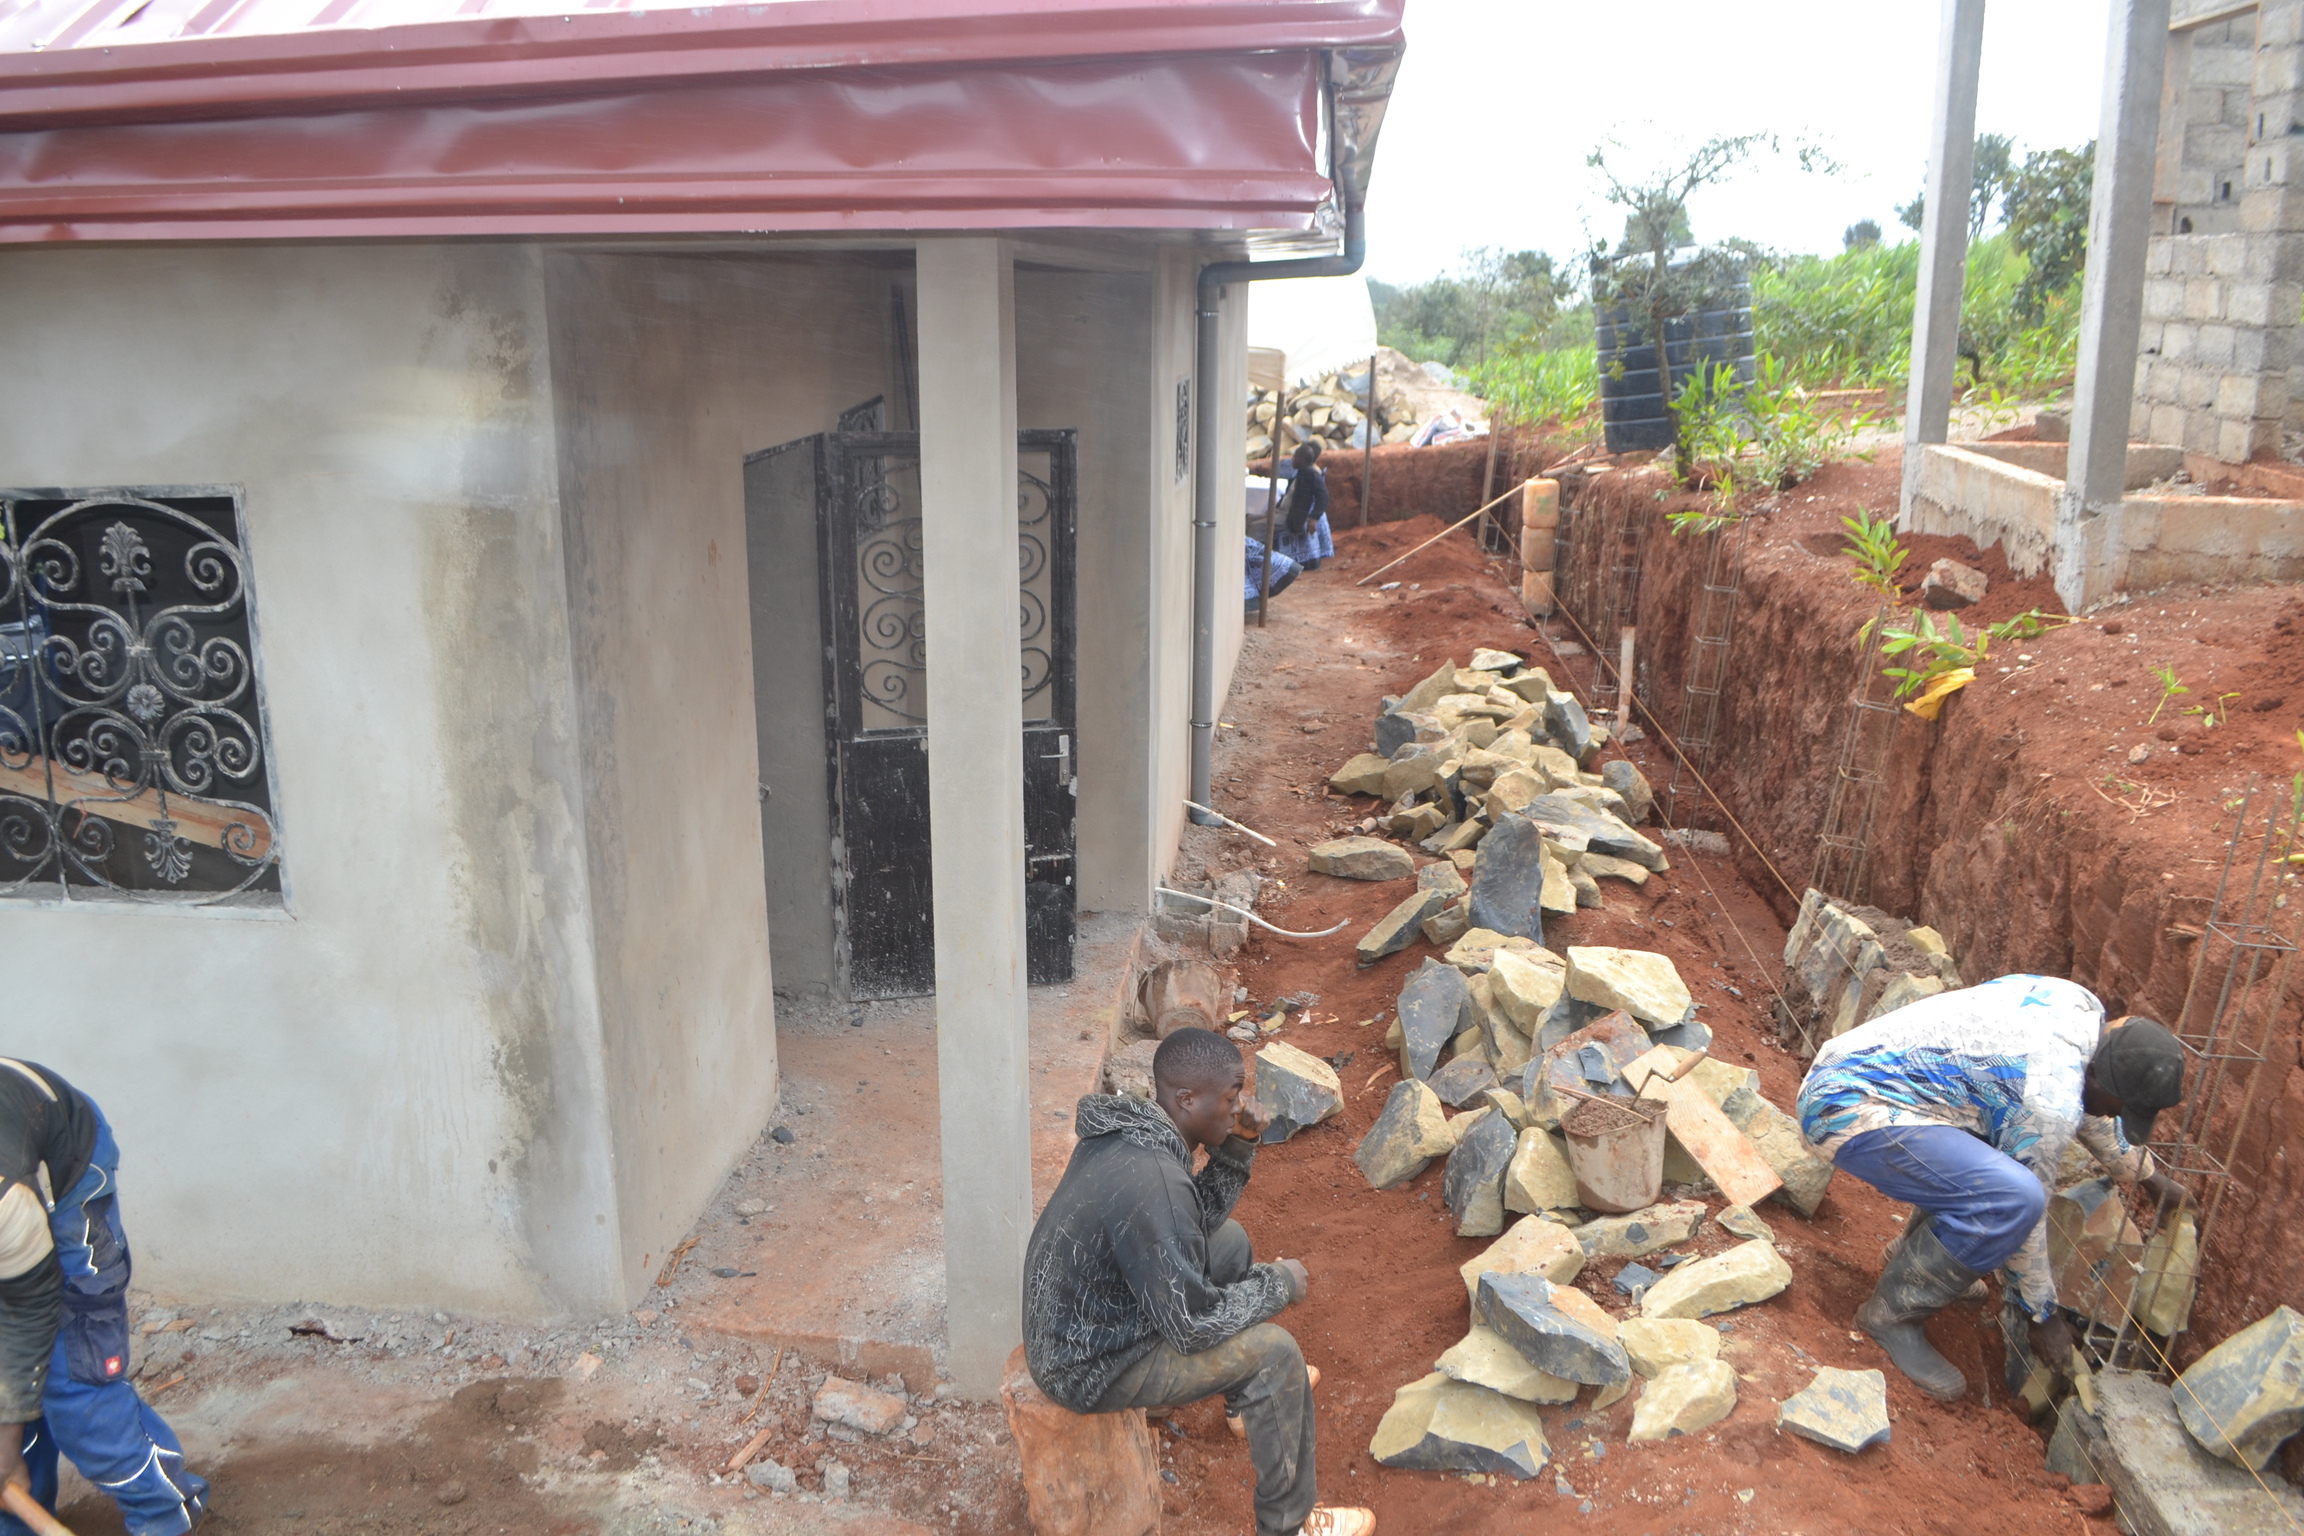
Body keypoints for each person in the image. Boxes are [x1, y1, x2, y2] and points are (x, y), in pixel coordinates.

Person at [1022, 1028, 1372, 1536]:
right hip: (1087, 1362)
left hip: (1093, 1321)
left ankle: (1238, 1405)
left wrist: (1239, 1144)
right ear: (1186, 1100)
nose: (1240, 1106)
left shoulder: (1135, 1135)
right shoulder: (1154, 1180)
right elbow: (1192, 1324)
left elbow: (1193, 1220)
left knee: (1227, 1242)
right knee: (1276, 1356)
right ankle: (1289, 1526)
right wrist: (1276, 1283)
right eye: (1231, 1098)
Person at [1795, 976, 2189, 1401]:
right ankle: (1893, 1313)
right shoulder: (2047, 1097)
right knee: (2012, 1196)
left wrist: (2146, 1175)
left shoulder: (2078, 1007)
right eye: (2119, 1106)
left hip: (1858, 1069)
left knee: (1994, 1134)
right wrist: (2042, 1315)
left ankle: (1912, 1253)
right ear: (2098, 1076)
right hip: (1844, 1109)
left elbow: (2082, 1104)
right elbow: (2027, 1215)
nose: (2115, 1115)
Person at [0, 1060, 208, 1536]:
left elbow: (30, 1307)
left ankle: (165, 1514)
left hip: (64, 1167)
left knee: (76, 1380)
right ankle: (20, 1518)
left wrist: (5, 1437)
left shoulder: (4, 1197)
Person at [1275, 443, 1333, 572]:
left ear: (1303, 458)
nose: (1292, 459)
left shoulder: (1311, 474)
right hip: (1301, 513)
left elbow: (1323, 496)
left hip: (1301, 516)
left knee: (1259, 526)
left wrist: (1314, 517)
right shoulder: (1303, 472)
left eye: (1296, 456)